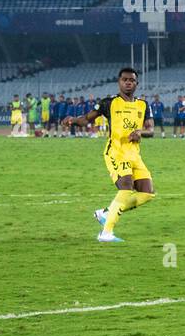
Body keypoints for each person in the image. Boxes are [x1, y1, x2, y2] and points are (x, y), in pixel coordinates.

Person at [63, 67, 156, 244]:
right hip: (116, 151)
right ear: (119, 82)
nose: (128, 82)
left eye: (132, 80)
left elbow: (151, 130)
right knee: (126, 188)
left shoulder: (143, 105)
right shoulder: (109, 103)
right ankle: (106, 233)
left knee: (147, 193)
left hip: (134, 154)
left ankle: (105, 213)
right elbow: (87, 119)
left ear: (136, 84)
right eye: (125, 79)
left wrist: (140, 132)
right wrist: (72, 120)